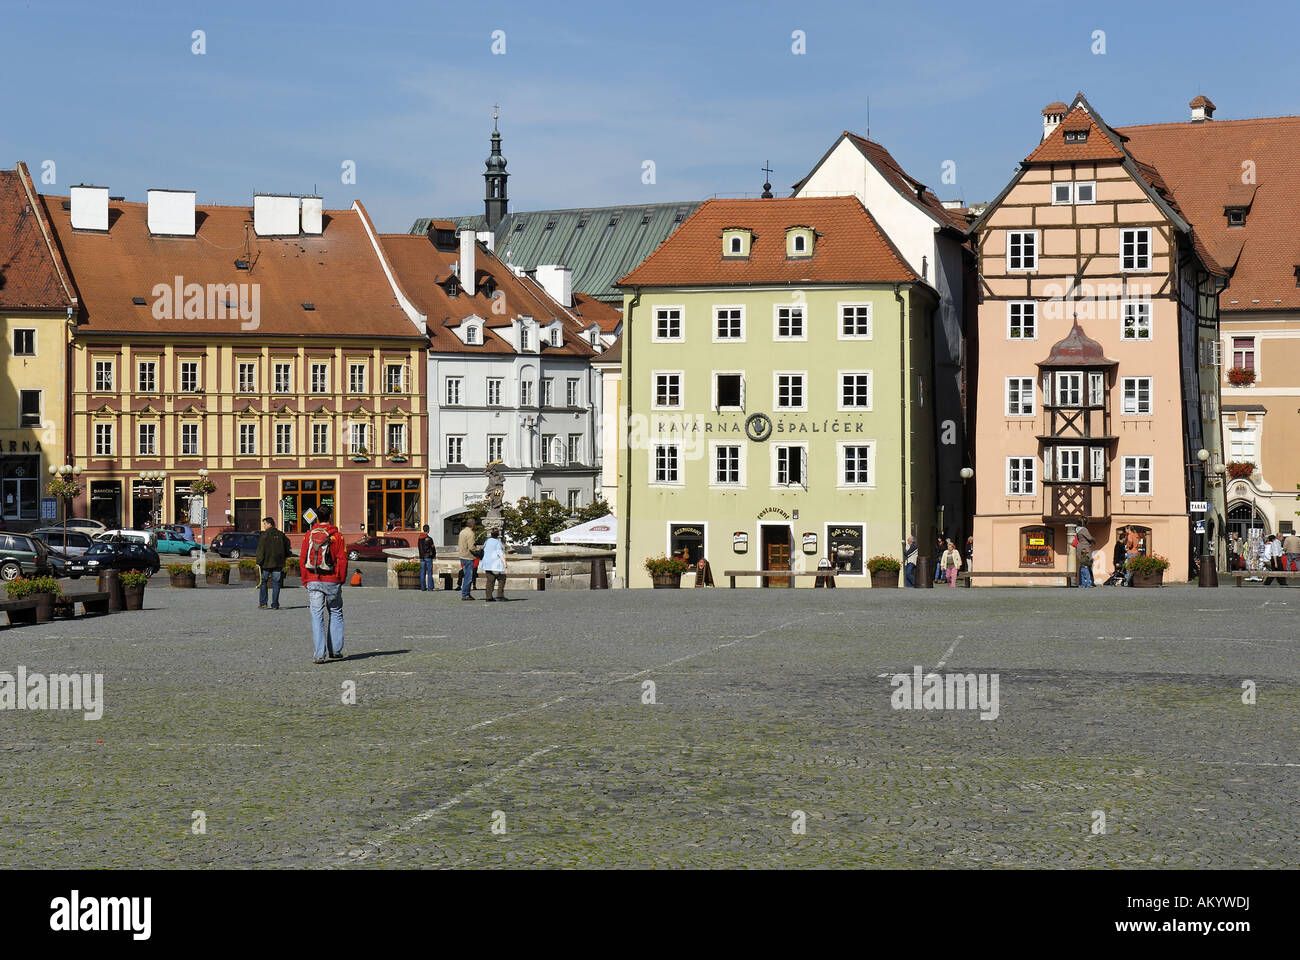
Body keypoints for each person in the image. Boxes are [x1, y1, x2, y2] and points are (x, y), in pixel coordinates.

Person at [301, 504, 347, 664]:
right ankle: (335, 650)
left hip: (313, 578)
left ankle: (319, 654)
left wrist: (305, 579)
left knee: (316, 615)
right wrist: (341, 579)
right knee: (335, 611)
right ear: (331, 516)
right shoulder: (338, 536)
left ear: (317, 517)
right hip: (332, 579)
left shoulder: (309, 535)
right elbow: (342, 559)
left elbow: (302, 558)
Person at [255, 516, 291, 610]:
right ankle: (275, 604)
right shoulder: (281, 534)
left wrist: (258, 561)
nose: (264, 526)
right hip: (278, 563)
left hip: (266, 563)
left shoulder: (264, 535)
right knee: (276, 583)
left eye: (265, 524)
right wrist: (286, 556)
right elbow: (287, 545)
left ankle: (263, 603)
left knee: (264, 582)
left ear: (270, 524)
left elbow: (260, 549)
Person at [481, 526, 506, 602]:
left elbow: (483, 550)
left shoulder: (487, 541)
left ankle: (488, 597)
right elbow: (500, 553)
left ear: (491, 534)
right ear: (498, 535)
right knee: (502, 579)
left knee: (490, 581)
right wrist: (504, 562)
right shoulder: (498, 542)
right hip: (496, 565)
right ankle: (500, 596)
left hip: (487, 564)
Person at [457, 517, 478, 601]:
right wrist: (478, 552)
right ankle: (465, 594)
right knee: (468, 577)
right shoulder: (470, 533)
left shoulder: (462, 532)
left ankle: (466, 593)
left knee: (466, 575)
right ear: (472, 525)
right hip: (468, 557)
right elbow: (471, 547)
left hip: (462, 555)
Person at [417, 524, 436, 591]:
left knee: (422, 572)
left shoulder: (419, 539)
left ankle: (423, 587)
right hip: (428, 557)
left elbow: (419, 548)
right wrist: (434, 555)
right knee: (430, 572)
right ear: (428, 530)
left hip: (421, 557)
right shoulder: (429, 539)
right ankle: (430, 587)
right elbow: (433, 548)